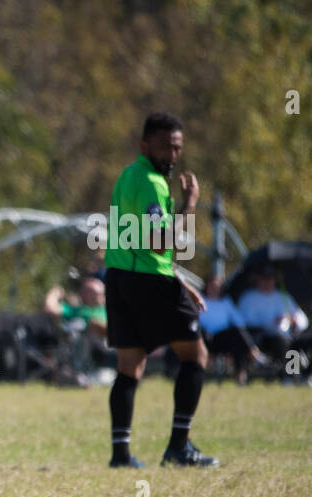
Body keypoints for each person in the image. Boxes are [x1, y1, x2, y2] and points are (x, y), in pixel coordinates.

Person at [102, 113, 217, 468]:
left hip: (120, 278)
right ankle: (179, 448)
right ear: (144, 145)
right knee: (196, 357)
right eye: (165, 146)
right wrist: (190, 206)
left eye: (177, 147)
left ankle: (120, 455)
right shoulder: (153, 183)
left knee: (129, 366)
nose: (172, 155)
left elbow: (136, 242)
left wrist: (178, 277)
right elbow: (157, 241)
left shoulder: (127, 175)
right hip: (149, 282)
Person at [236, 272, 312, 385]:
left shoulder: (283, 296)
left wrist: (294, 320)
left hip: (291, 333)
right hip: (266, 337)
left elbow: (302, 320)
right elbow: (245, 320)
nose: (267, 282)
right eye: (264, 279)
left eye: (270, 279)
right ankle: (291, 375)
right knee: (283, 342)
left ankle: (307, 375)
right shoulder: (249, 298)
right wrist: (272, 322)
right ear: (257, 280)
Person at [198, 277, 261, 385]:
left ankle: (243, 368)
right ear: (206, 287)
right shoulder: (199, 299)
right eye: (212, 286)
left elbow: (239, 322)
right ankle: (254, 354)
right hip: (202, 337)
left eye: (217, 287)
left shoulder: (226, 302)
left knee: (237, 335)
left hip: (221, 338)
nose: (214, 289)